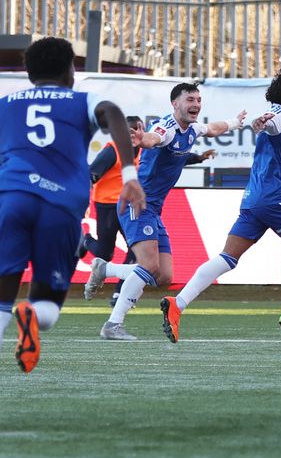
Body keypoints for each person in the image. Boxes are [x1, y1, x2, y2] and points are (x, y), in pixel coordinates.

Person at [0, 37, 146, 431]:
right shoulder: (82, 100)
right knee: (45, 308)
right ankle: (29, 314)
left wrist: (11, 187)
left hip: (8, 199)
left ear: (29, 72)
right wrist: (130, 174)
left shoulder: (1, 107)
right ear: (70, 71)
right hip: (60, 206)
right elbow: (112, 112)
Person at [159, 67, 281, 343]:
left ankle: (178, 304)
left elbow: (271, 149)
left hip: (253, 200)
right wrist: (260, 122)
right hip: (273, 199)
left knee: (228, 258)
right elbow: (267, 123)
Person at [83, 83, 241, 341]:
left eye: (199, 100)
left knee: (164, 276)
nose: (196, 104)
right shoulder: (165, 128)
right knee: (147, 265)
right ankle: (113, 324)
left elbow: (213, 129)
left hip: (154, 209)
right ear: (175, 103)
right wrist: (141, 139)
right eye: (190, 99)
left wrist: (236, 122)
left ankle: (105, 269)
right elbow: (153, 139)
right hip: (138, 202)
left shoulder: (192, 129)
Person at [78, 115, 144, 335]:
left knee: (137, 250)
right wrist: (82, 197)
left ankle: (117, 293)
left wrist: (199, 157)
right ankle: (85, 240)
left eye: (134, 131)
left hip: (126, 206)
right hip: (106, 205)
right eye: (127, 131)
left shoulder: (143, 149)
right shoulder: (112, 150)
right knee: (105, 253)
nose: (131, 136)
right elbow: (91, 173)